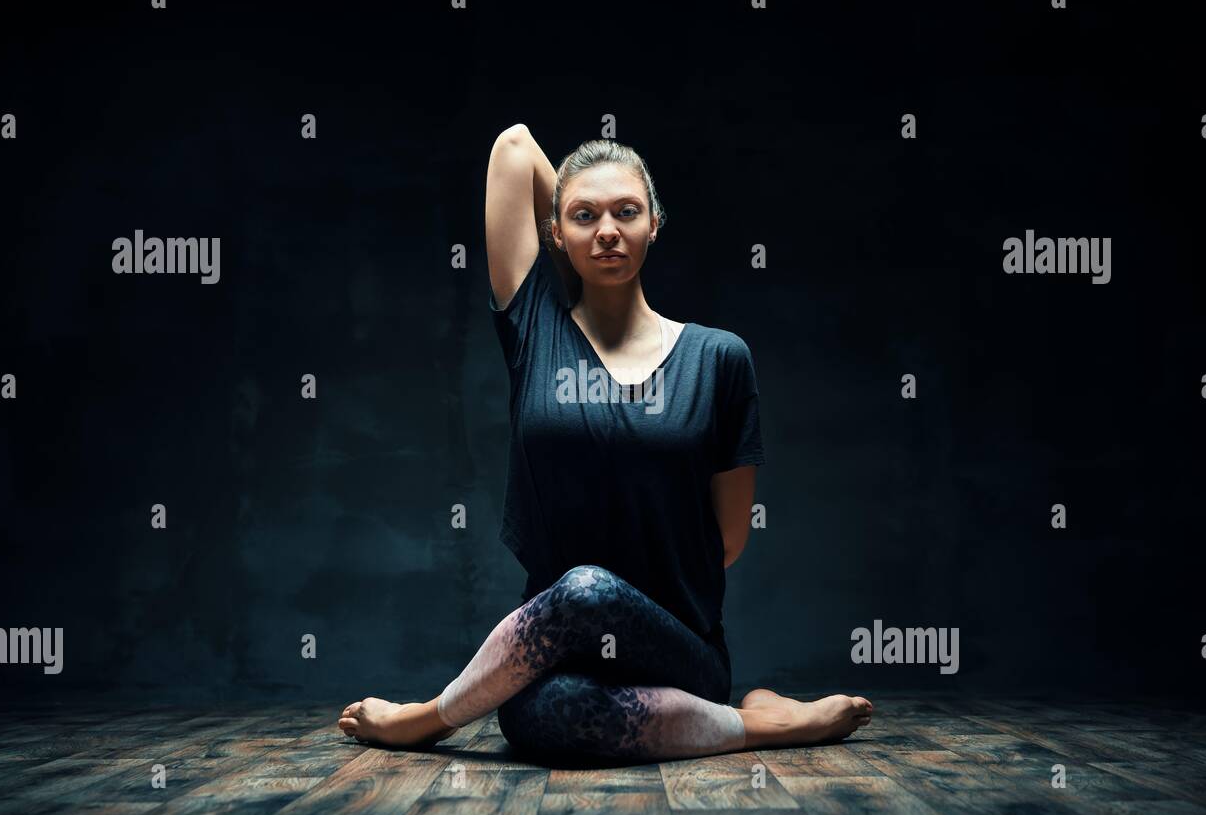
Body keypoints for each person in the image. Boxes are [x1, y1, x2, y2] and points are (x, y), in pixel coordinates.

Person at [338, 125, 873, 766]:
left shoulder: (720, 358)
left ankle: (424, 720)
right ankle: (754, 721)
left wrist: (618, 606)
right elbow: (512, 149)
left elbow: (728, 539)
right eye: (584, 216)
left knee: (589, 589)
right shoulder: (535, 329)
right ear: (555, 233)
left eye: (627, 211)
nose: (608, 230)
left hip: (679, 651)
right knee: (545, 716)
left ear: (655, 223)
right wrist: (566, 226)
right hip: (549, 655)